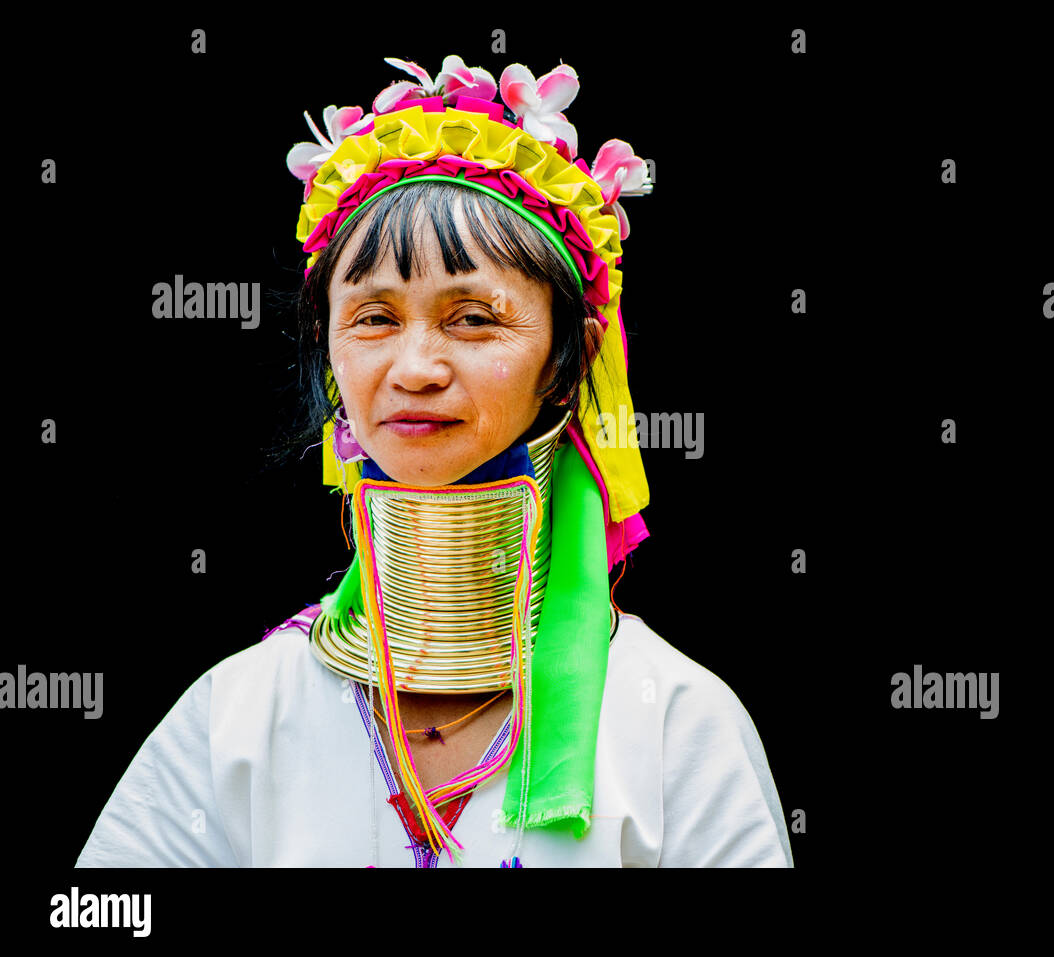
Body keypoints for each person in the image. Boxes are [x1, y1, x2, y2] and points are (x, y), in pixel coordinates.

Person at [76, 54, 793, 868]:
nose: (415, 366)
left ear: (567, 360)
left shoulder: (675, 725)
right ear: (330, 351)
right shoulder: (239, 717)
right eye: (374, 317)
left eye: (474, 319)